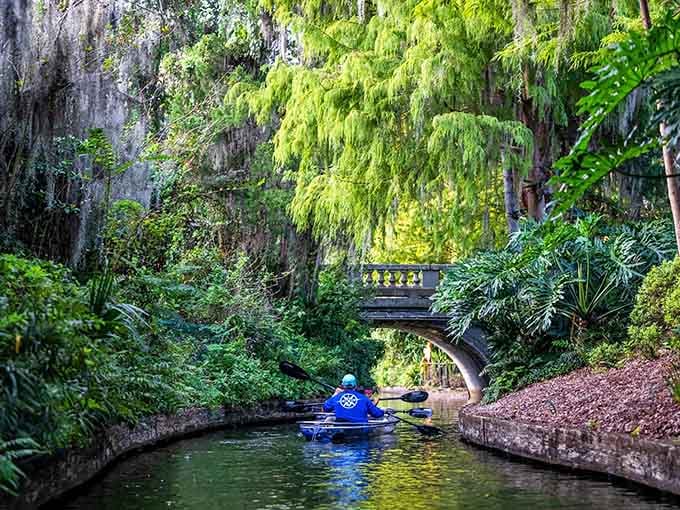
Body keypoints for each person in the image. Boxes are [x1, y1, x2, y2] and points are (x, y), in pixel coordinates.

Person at [323, 374, 389, 422]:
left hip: (341, 431)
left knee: (330, 419)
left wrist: (335, 394)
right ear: (355, 385)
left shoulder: (336, 397)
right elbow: (377, 414)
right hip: (361, 431)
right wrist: (383, 411)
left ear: (342, 385)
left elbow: (325, 408)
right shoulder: (364, 398)